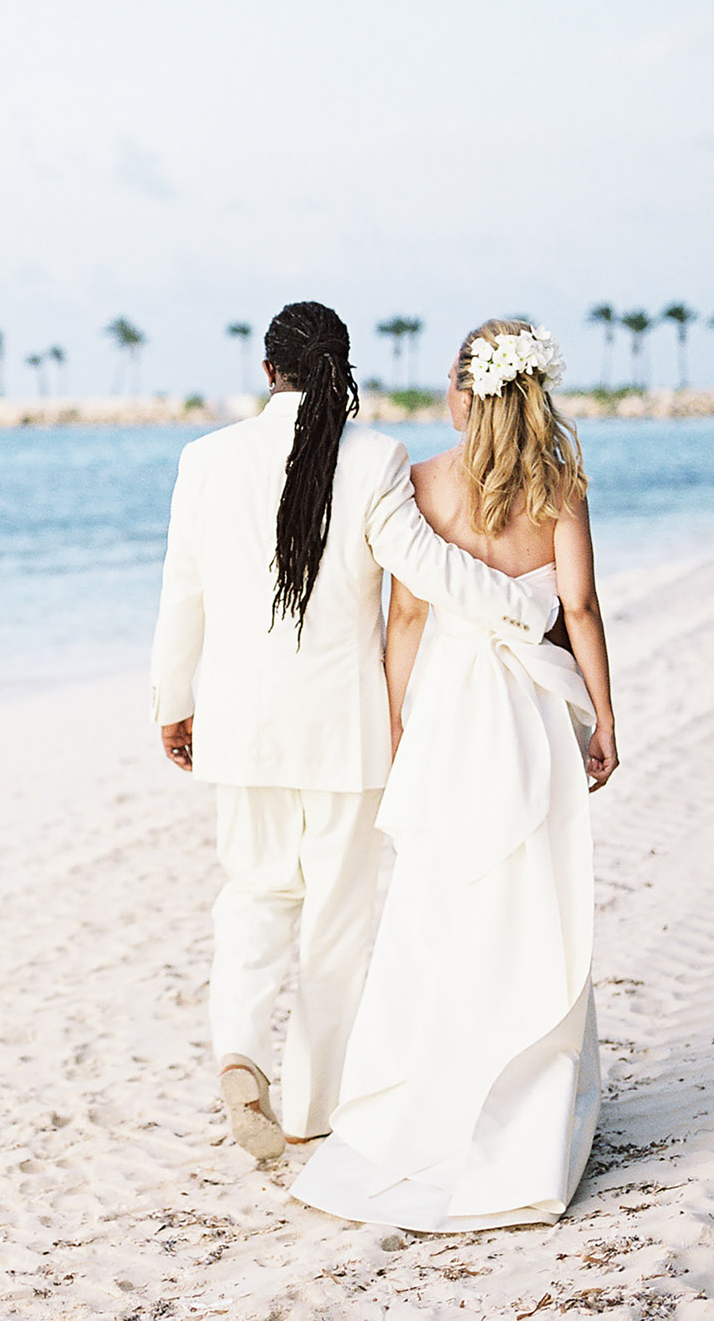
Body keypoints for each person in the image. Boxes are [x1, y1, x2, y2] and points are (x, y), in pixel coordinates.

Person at [151, 302, 558, 1160]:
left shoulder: (205, 459)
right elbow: (435, 573)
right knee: (336, 926)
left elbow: (180, 595)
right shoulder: (375, 460)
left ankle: (238, 1051)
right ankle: (308, 1109)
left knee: (254, 894)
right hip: (345, 732)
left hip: (241, 729)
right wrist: (528, 606)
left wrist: (171, 702)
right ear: (341, 368)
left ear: (270, 372)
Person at [289, 318, 618, 1231]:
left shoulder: (424, 484)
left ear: (462, 392)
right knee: (530, 892)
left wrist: (401, 723)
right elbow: (581, 608)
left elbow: (404, 624)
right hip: (533, 715)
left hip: (450, 713)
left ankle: (428, 1100)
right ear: (533, 392)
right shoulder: (561, 485)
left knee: (442, 897)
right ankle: (533, 1112)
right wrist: (604, 716)